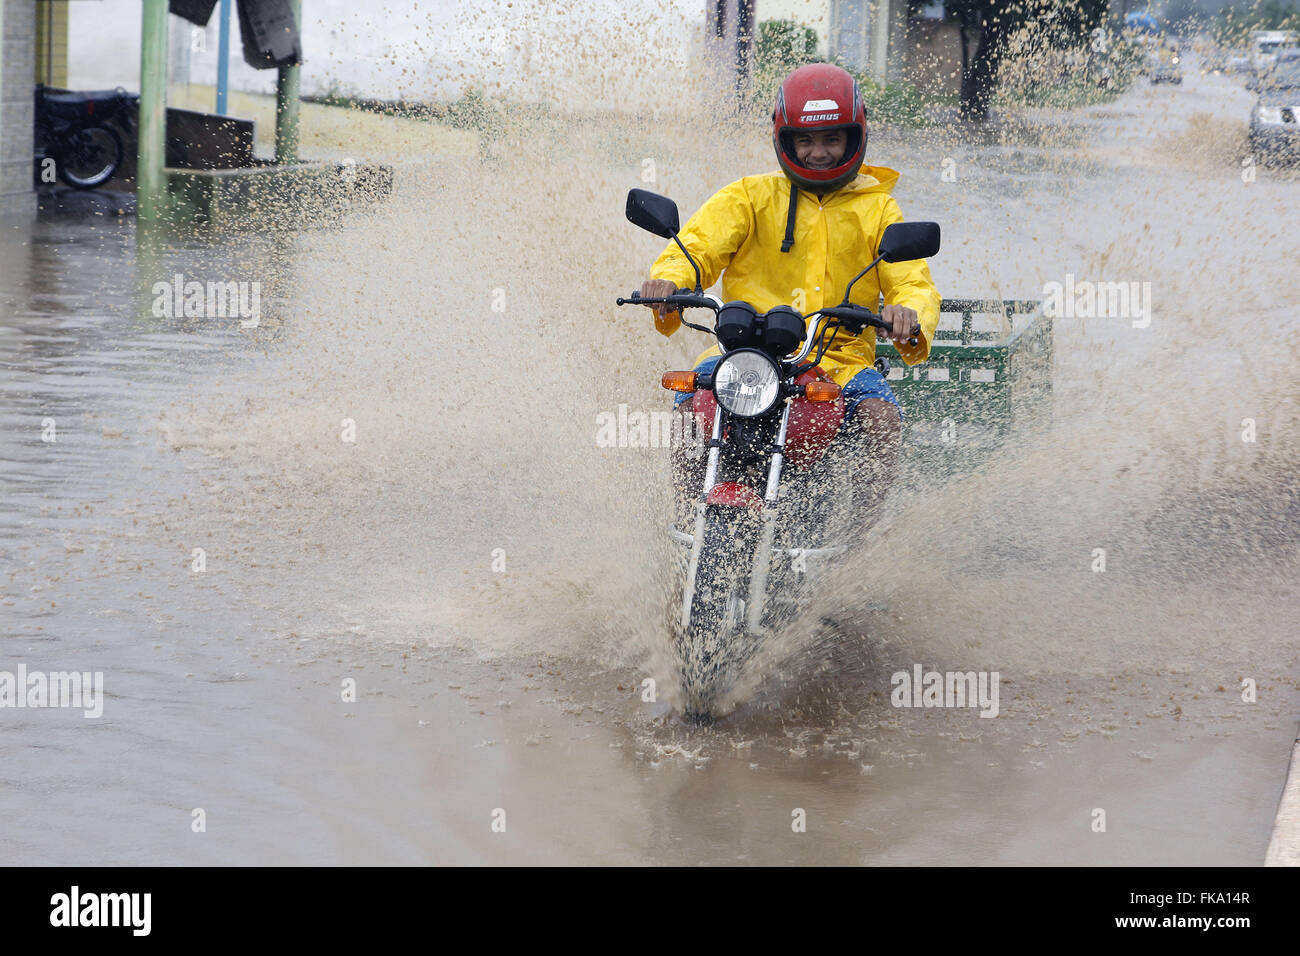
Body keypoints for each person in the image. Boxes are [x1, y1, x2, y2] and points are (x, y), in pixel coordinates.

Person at [641, 62, 941, 533]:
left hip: (836, 359)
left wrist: (908, 313)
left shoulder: (879, 207)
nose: (819, 152)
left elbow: (911, 282)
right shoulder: (749, 196)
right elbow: (696, 248)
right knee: (685, 409)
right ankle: (682, 528)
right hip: (743, 355)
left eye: (832, 140)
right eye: (806, 140)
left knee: (882, 417)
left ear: (854, 138)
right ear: (785, 140)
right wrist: (668, 283)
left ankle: (858, 541)